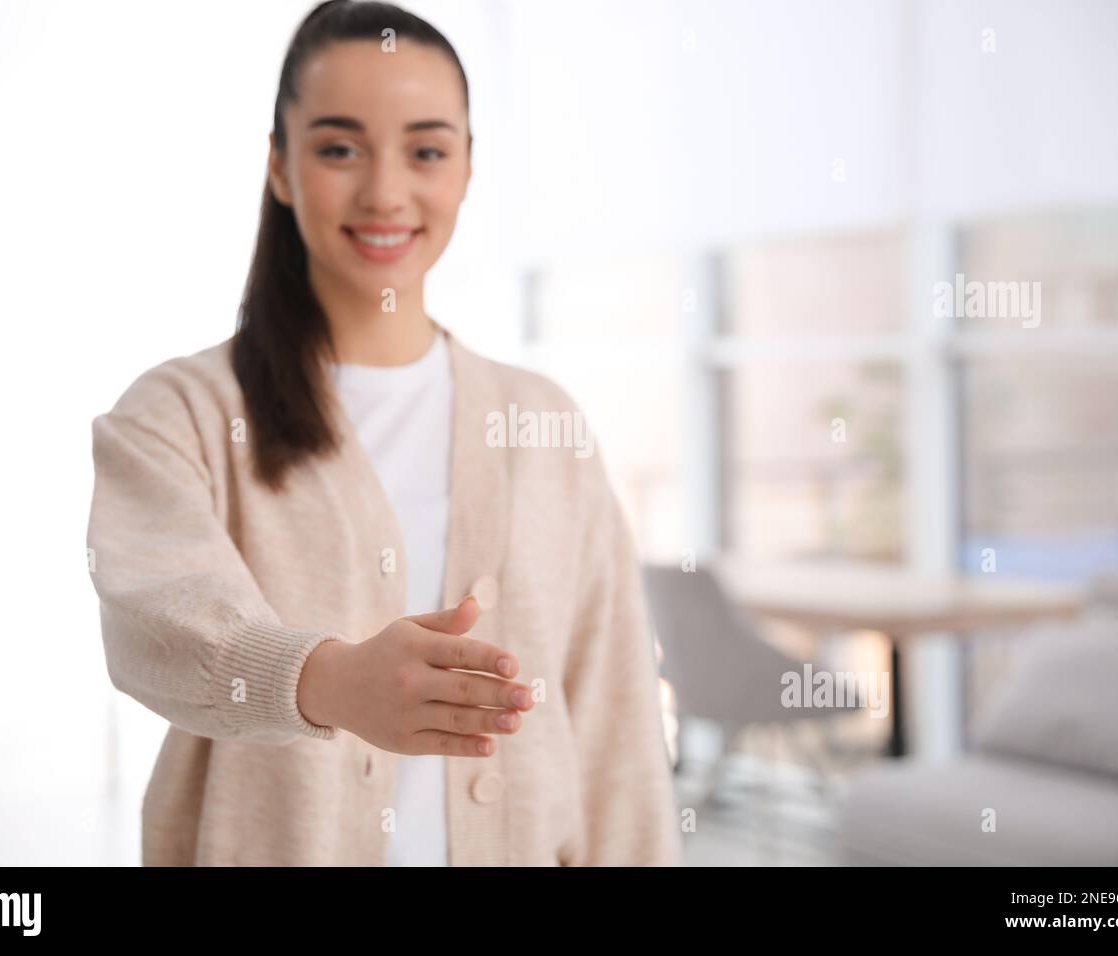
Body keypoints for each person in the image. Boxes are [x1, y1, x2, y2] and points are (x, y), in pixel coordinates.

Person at [85, 0, 681, 866]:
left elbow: (617, 722)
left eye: (427, 150)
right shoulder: (179, 413)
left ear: (468, 169)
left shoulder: (544, 426)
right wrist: (325, 682)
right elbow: (155, 631)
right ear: (281, 168)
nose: (385, 192)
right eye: (338, 148)